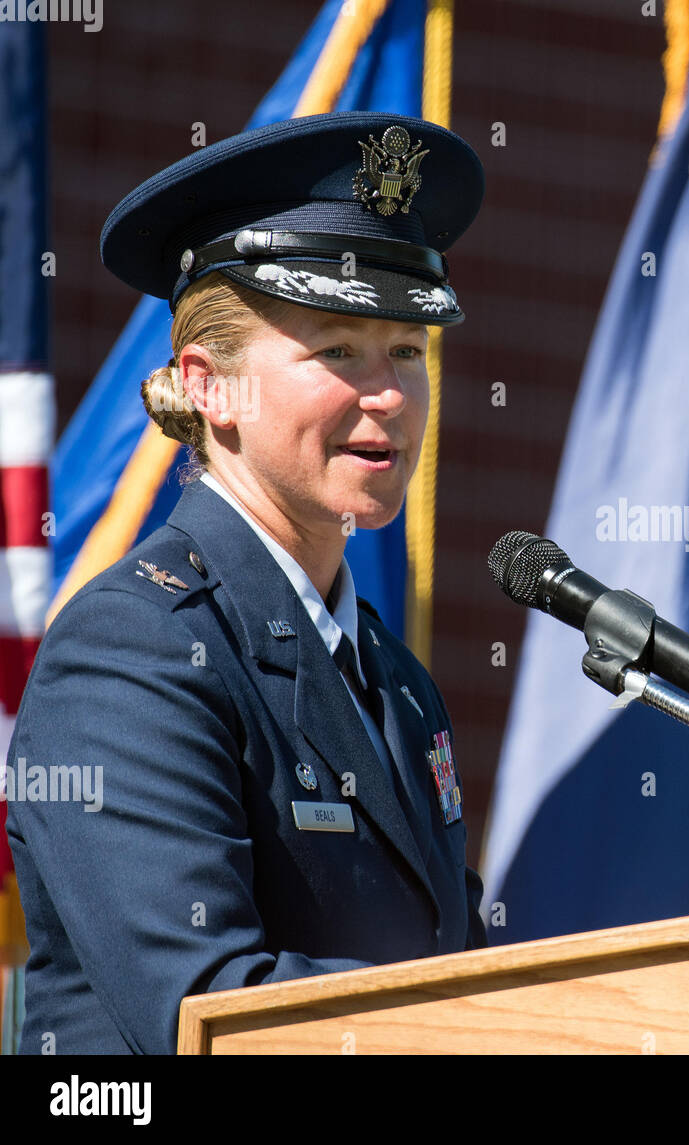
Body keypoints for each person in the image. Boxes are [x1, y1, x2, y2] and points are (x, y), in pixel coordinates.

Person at [5, 111, 488, 1054]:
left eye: (409, 350)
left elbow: (459, 968)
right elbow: (209, 1011)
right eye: (338, 348)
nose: (387, 391)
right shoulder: (132, 648)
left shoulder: (395, 679)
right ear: (209, 385)